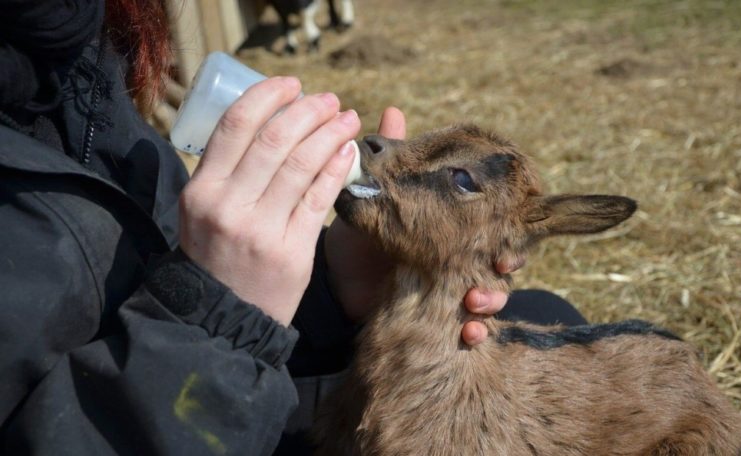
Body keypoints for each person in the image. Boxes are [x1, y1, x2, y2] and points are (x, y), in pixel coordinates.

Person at [0, 1, 595, 455]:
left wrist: (327, 293)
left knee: (546, 317)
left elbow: (145, 262)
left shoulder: (65, 51)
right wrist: (215, 321)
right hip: (176, 411)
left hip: (205, 391)